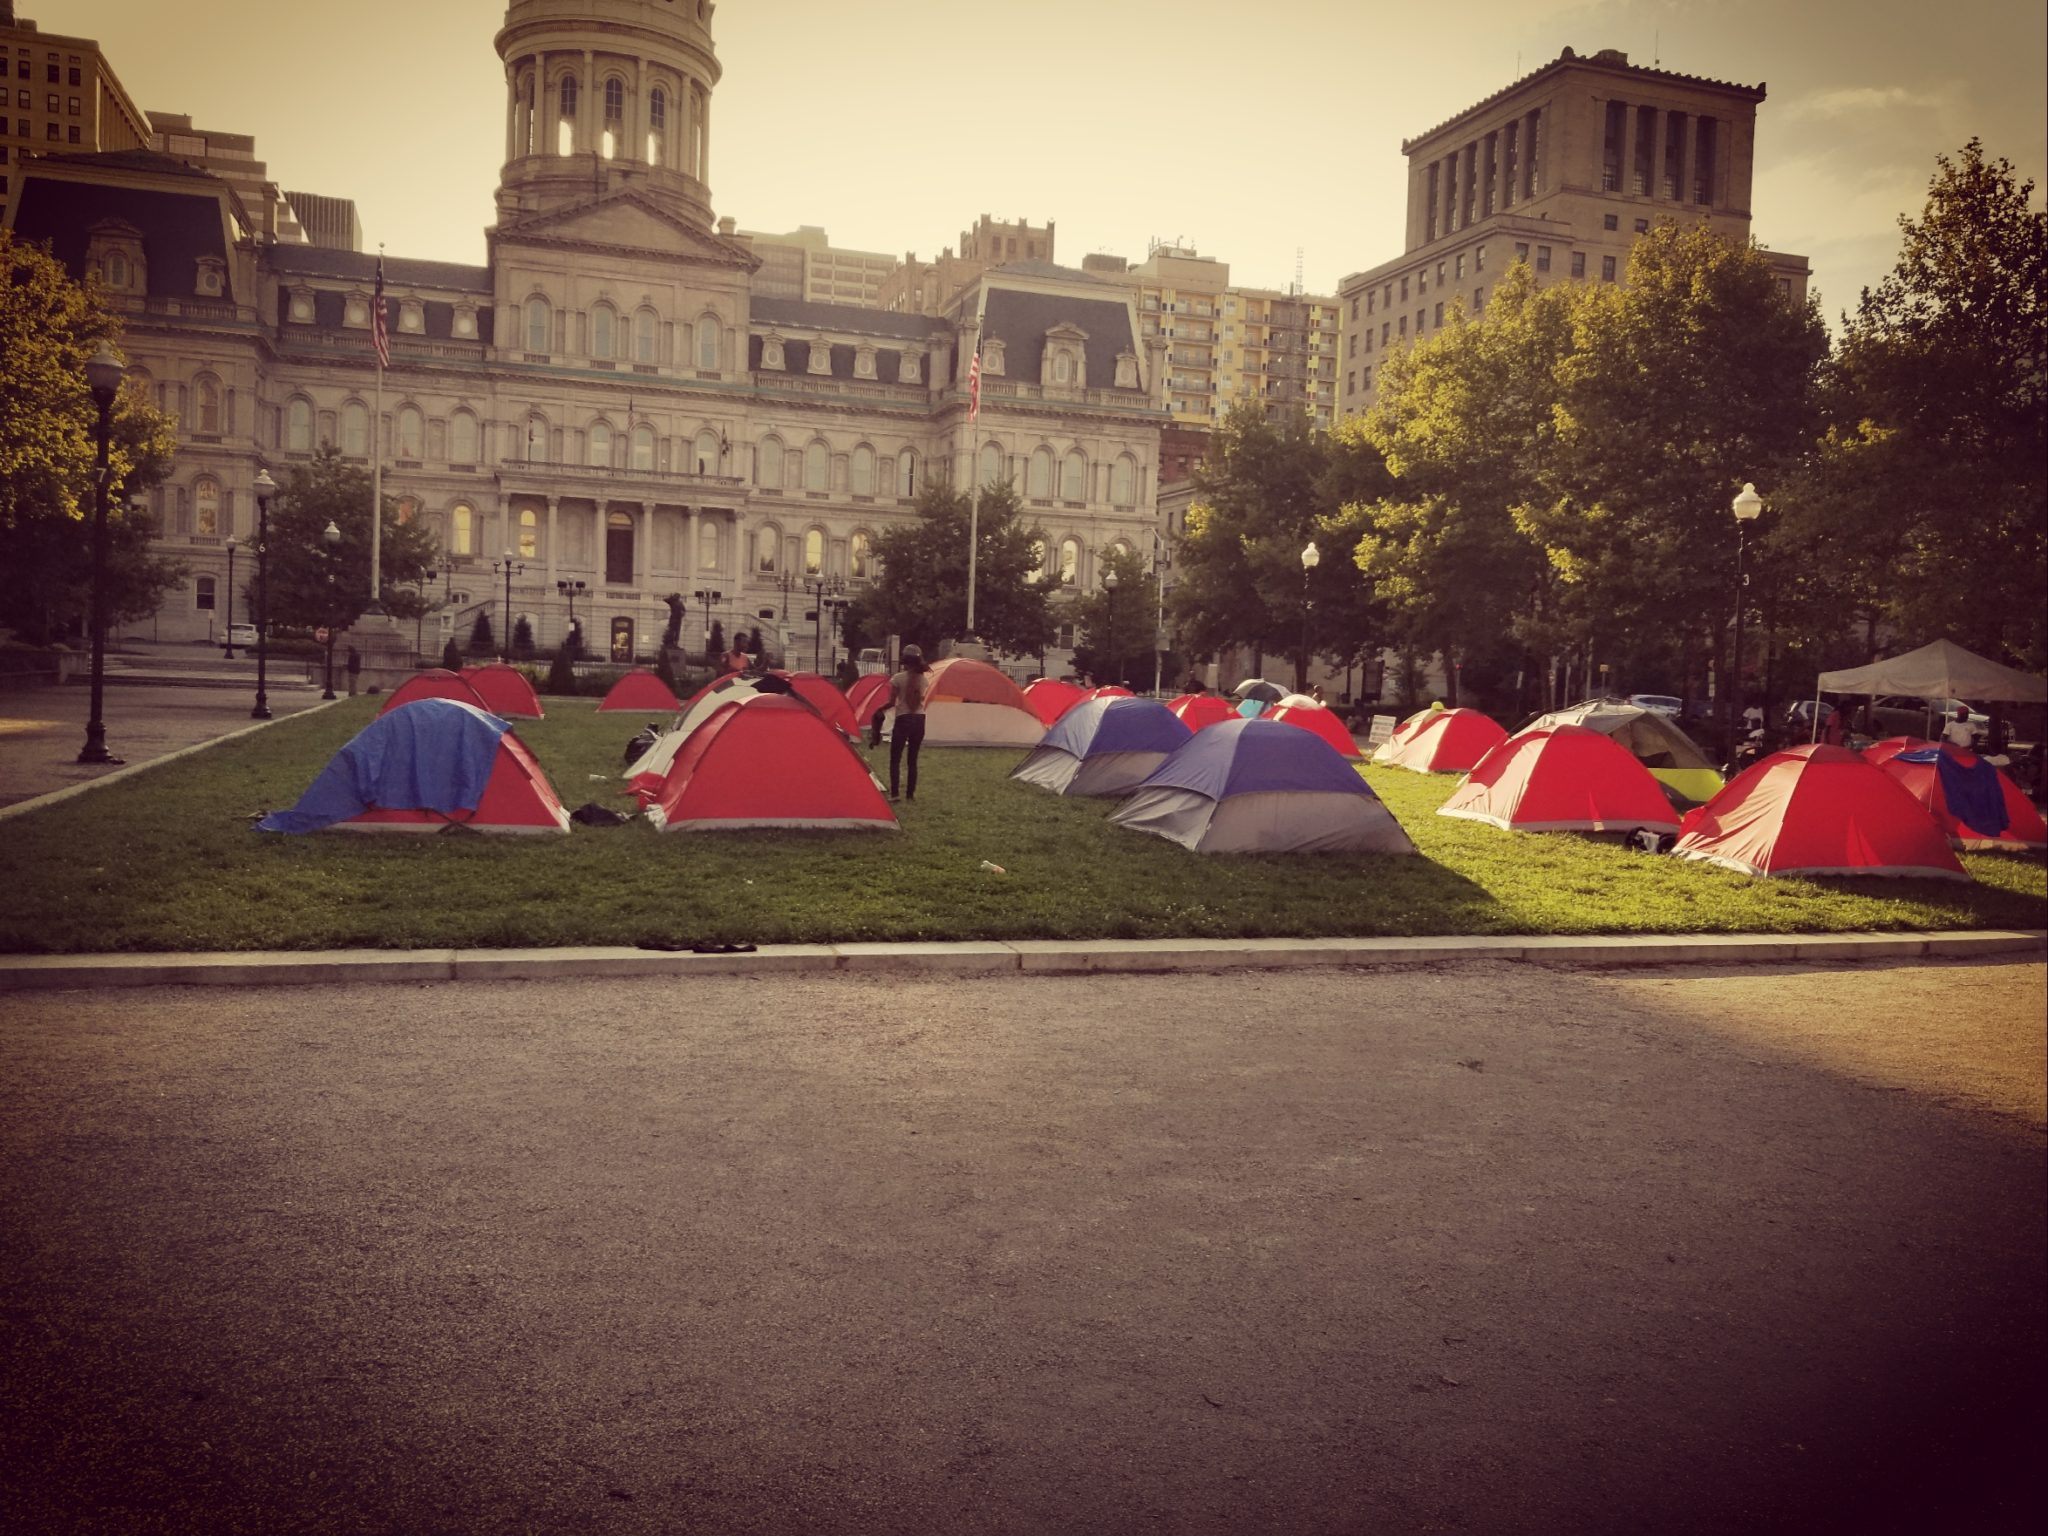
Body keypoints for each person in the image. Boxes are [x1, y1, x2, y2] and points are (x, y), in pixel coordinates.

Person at [887, 643, 929, 801]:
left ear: (904, 660)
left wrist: (879, 710)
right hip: (919, 719)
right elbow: (921, 699)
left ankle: (895, 794)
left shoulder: (897, 678)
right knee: (913, 759)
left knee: (895, 758)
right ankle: (910, 795)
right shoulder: (924, 680)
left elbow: (891, 702)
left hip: (903, 718)